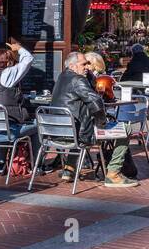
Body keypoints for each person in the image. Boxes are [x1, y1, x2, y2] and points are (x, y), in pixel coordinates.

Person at [51, 52, 139, 187]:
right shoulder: (78, 80)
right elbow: (97, 103)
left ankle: (69, 169)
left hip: (58, 134)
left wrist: (90, 75)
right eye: (84, 64)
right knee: (126, 128)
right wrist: (102, 123)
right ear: (72, 66)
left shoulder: (62, 77)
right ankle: (113, 174)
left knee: (79, 125)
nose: (87, 66)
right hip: (79, 135)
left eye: (88, 63)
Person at [0, 39, 33, 132]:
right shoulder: (8, 73)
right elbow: (28, 58)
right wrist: (19, 48)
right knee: (38, 126)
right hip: (8, 126)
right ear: (8, 62)